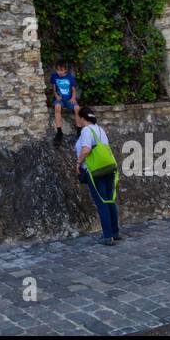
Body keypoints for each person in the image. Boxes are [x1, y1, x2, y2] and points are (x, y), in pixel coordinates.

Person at [74, 106, 121, 246]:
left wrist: (78, 162)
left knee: (101, 203)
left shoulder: (87, 130)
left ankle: (107, 236)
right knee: (109, 201)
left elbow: (86, 149)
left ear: (83, 118)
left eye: (78, 118)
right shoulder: (100, 129)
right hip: (108, 168)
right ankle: (115, 232)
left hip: (95, 171)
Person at [48, 60, 79, 145]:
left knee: (77, 108)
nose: (59, 72)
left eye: (61, 70)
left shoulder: (70, 77)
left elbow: (73, 90)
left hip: (69, 99)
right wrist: (56, 96)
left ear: (65, 70)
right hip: (59, 99)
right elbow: (54, 89)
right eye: (57, 70)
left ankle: (79, 131)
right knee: (57, 107)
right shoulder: (54, 76)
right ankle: (59, 132)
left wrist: (73, 98)